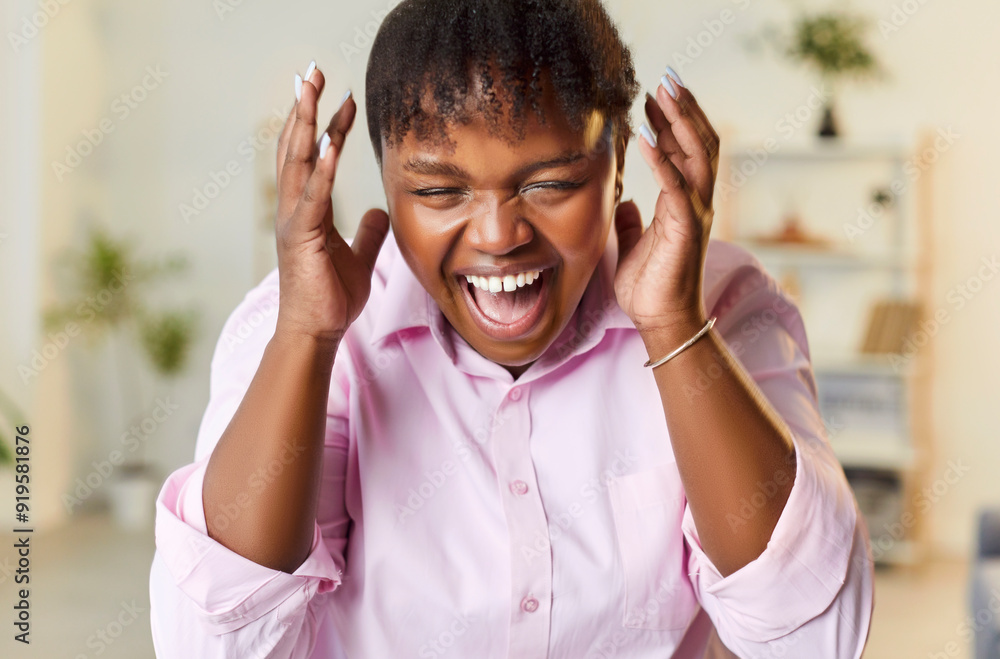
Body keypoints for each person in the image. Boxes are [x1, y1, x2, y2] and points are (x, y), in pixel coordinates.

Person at [148, 0, 874, 656]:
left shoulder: (726, 305)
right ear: (386, 186)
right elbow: (211, 647)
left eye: (550, 183)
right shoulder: (300, 329)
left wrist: (674, 327)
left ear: (621, 163)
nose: (498, 235)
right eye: (437, 190)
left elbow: (814, 640)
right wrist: (307, 337)